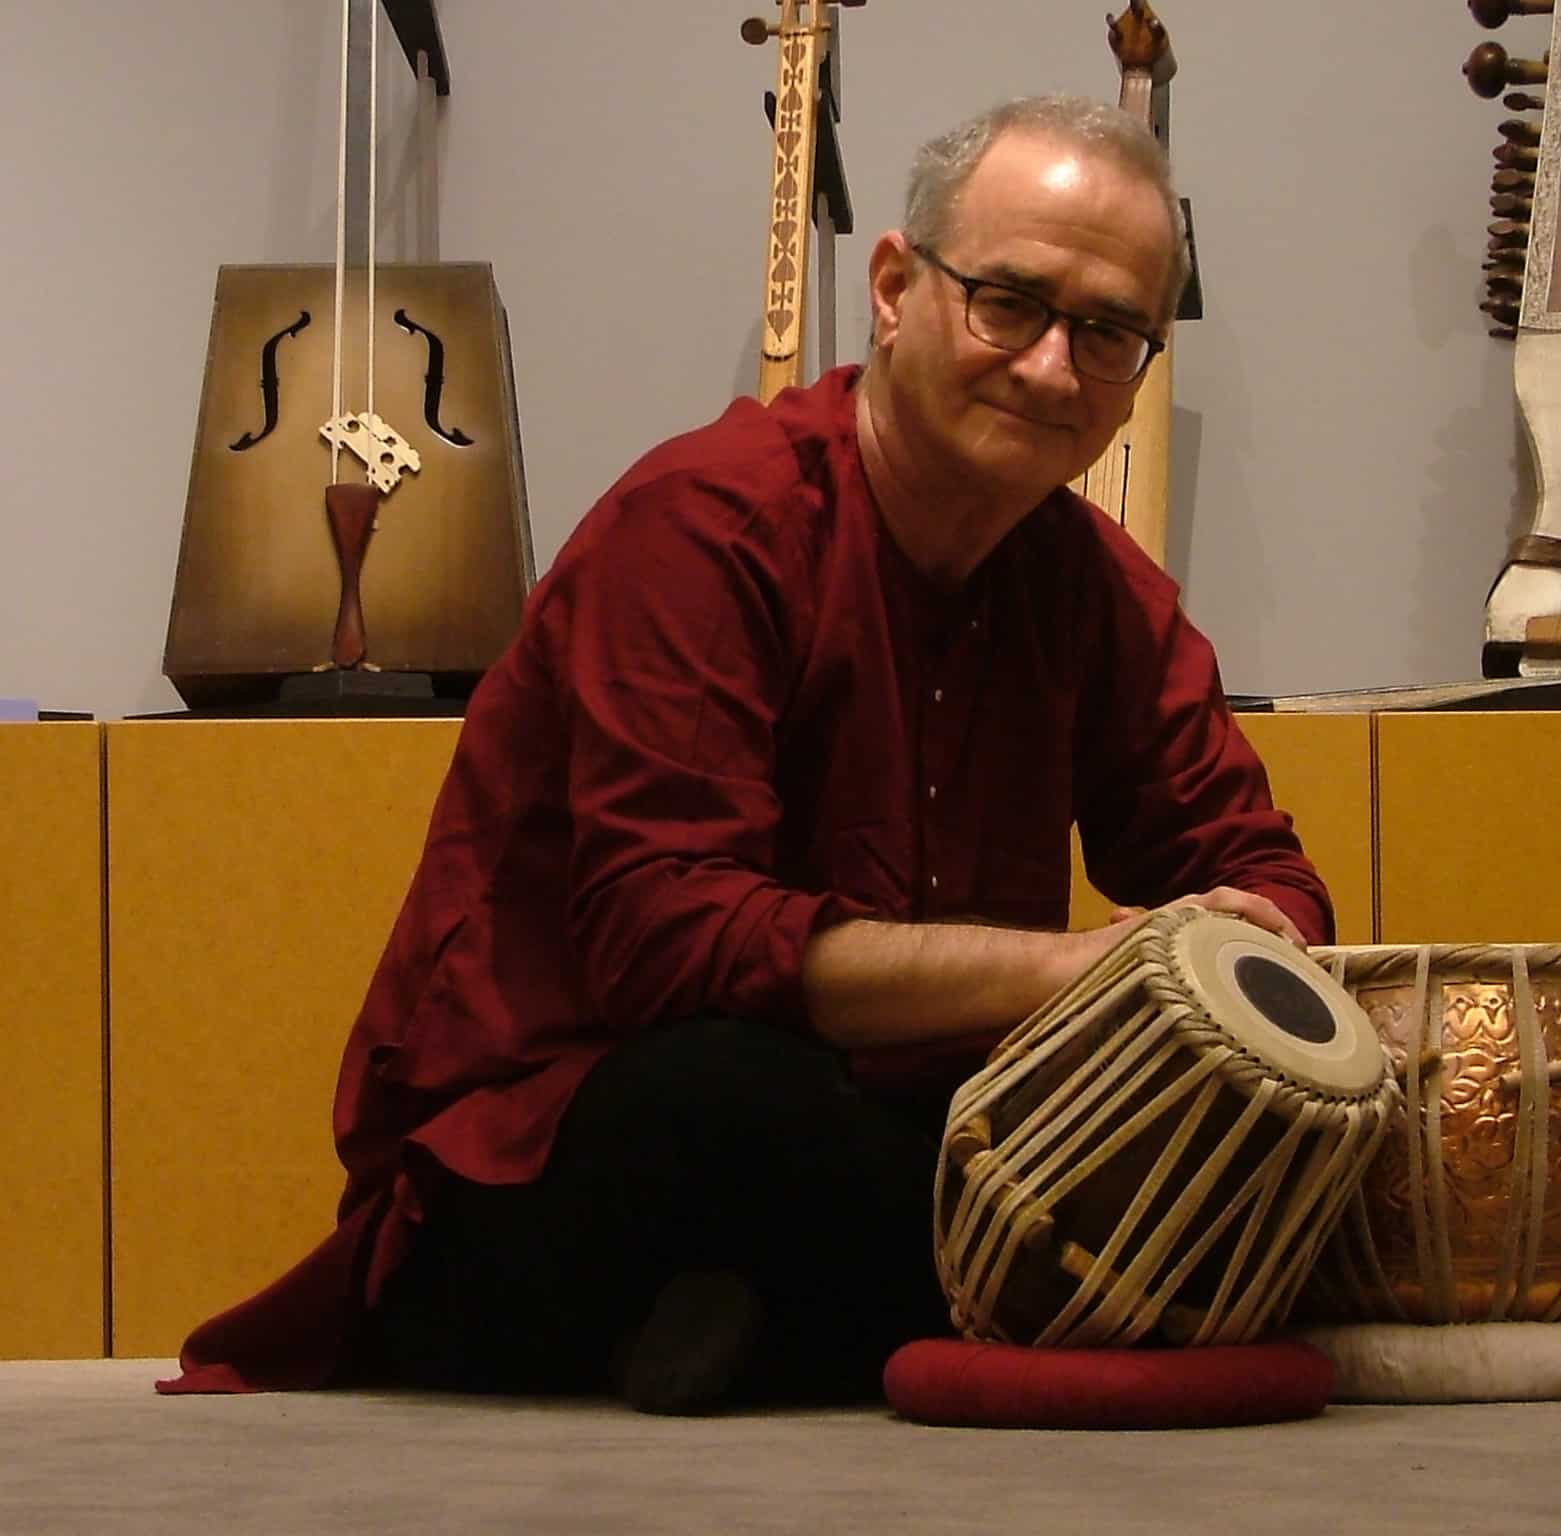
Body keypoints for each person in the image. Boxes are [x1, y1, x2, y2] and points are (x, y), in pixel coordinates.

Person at [160, 94, 1333, 1414]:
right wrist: (1080, 974)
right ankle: (941, 1308)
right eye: (1009, 302)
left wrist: (1243, 945)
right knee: (731, 1096)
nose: (1056, 368)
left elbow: (1259, 868)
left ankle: (789, 1321)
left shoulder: (1100, 591)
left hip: (895, 1131)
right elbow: (672, 940)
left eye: (1111, 333)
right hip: (563, 1159)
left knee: (1290, 1100)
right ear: (894, 289)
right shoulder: (706, 524)